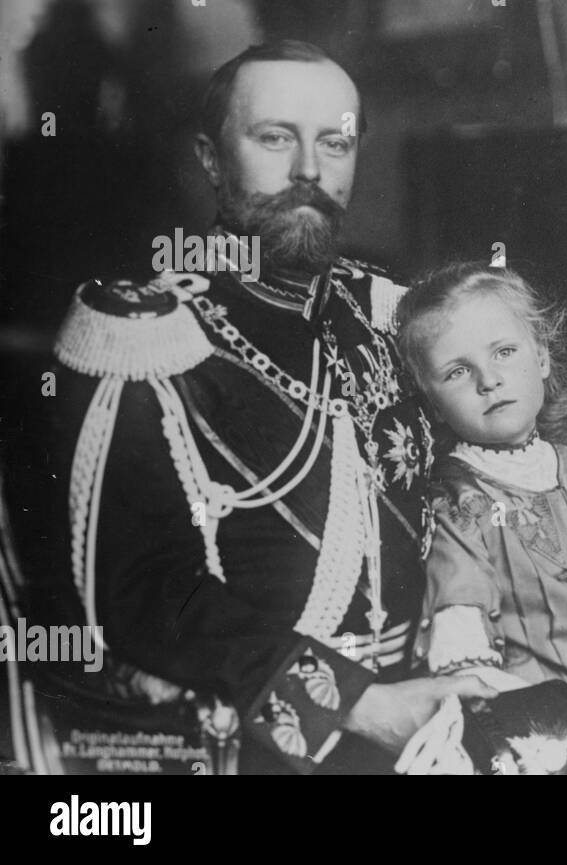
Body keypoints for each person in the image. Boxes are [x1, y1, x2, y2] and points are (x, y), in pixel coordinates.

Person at [47, 40, 493, 774]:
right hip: (242, 741)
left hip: (428, 708)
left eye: (335, 142)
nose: (309, 171)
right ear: (211, 158)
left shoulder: (391, 313)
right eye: (275, 138)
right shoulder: (144, 337)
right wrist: (354, 703)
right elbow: (137, 594)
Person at [395, 263, 567, 711]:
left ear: (542, 357)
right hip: (534, 728)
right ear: (432, 402)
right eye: (457, 372)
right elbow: (465, 653)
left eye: (504, 352)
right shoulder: (458, 504)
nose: (489, 380)